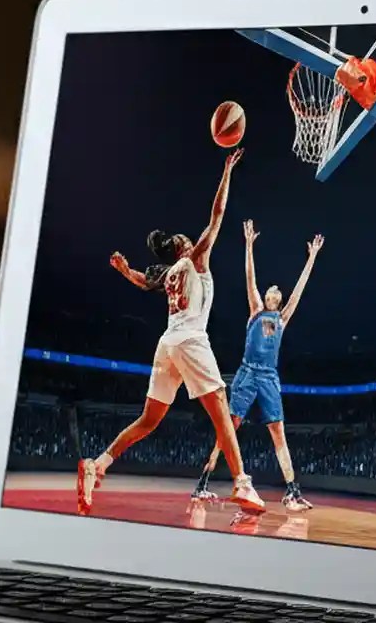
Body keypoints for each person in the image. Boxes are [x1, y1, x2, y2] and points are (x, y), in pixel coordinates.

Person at [78, 149, 265, 515]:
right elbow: (218, 215)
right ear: (182, 246)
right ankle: (243, 482)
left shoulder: (167, 275)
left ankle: (97, 465)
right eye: (184, 238)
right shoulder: (194, 258)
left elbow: (139, 279)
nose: (188, 237)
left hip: (167, 344)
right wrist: (226, 171)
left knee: (149, 420)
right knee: (222, 410)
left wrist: (123, 269)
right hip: (192, 339)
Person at [191, 219, 324, 512]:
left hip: (269, 378)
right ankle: (202, 484)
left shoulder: (283, 317)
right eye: (271, 289)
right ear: (266, 297)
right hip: (248, 373)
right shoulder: (256, 310)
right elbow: (250, 277)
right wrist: (249, 245)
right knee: (230, 427)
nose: (275, 290)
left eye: (278, 290)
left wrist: (312, 257)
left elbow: (300, 289)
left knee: (278, 431)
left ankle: (292, 492)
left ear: (280, 298)